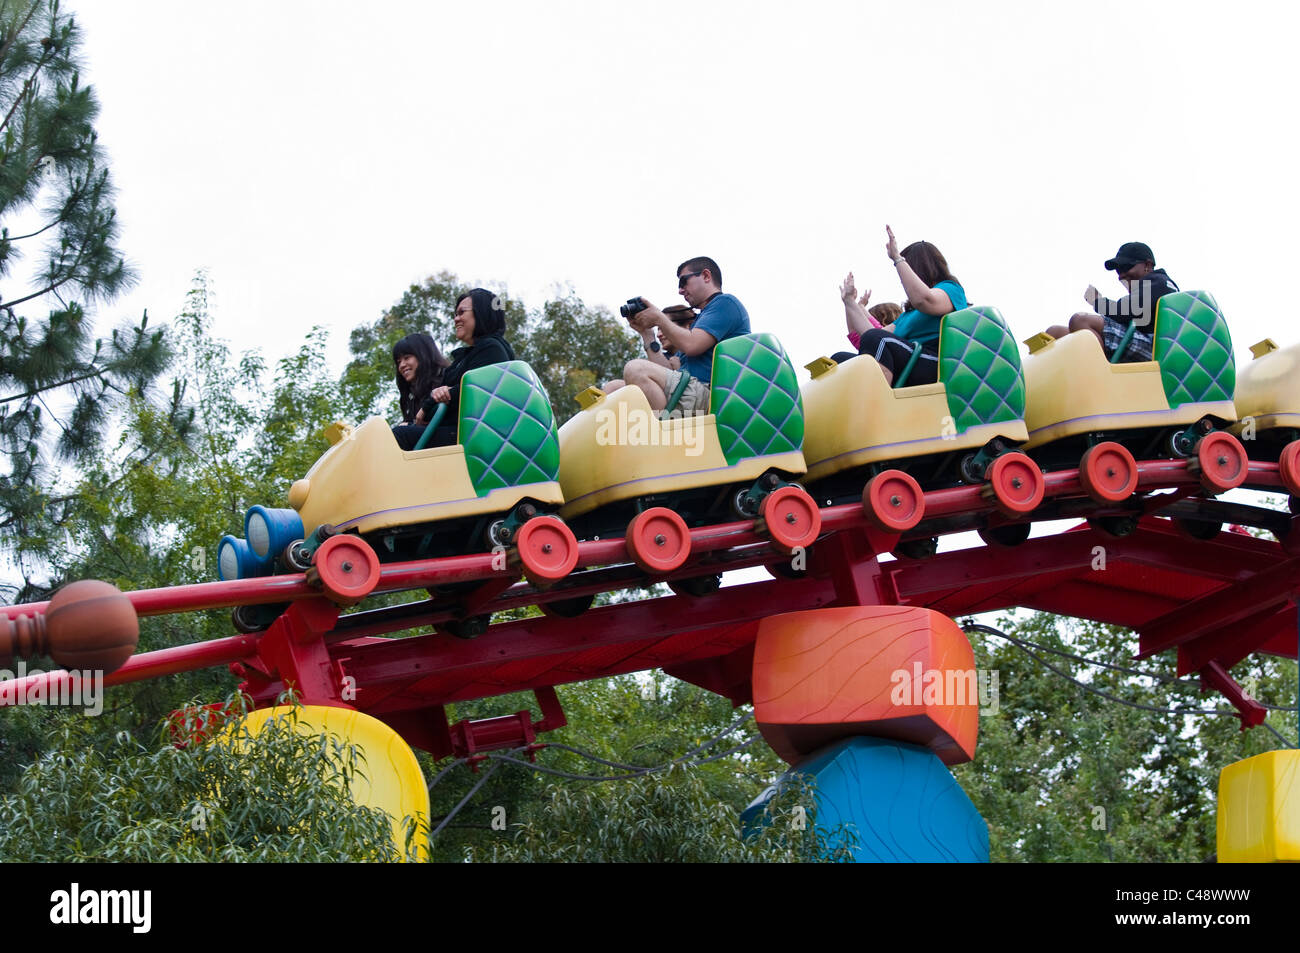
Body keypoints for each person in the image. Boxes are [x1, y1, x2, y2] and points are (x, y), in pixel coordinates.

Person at [613, 257, 750, 416]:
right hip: (691, 390)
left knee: (635, 369)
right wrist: (647, 334)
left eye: (683, 282)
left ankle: (664, 436)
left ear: (706, 276)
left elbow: (692, 345)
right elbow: (666, 371)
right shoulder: (700, 320)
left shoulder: (725, 303)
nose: (680, 290)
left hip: (714, 397)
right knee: (614, 387)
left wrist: (659, 317)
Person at [836, 227, 967, 385]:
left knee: (879, 340)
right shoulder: (908, 315)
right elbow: (869, 334)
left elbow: (924, 299)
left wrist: (897, 259)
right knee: (840, 361)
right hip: (910, 363)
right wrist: (849, 301)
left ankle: (878, 401)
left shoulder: (951, 290)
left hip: (935, 365)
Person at [397, 288, 516, 449]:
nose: (456, 319)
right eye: (455, 314)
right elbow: (439, 403)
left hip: (475, 436)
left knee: (398, 437)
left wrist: (429, 403)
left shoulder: (492, 349)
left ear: (480, 313)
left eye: (461, 312)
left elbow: (475, 391)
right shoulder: (464, 358)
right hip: (458, 431)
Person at [1044, 242, 1180, 362]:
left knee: (1081, 321)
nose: (1121, 275)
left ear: (1148, 265)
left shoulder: (1158, 281)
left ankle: (1098, 378)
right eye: (1118, 270)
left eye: (1127, 267)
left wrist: (1098, 301)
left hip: (1156, 348)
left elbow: (1125, 311)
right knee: (1055, 333)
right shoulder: (1152, 285)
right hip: (1140, 339)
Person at [390, 333, 451, 451]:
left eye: (407, 358)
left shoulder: (447, 377)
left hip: (454, 436)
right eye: (398, 361)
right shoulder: (412, 395)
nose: (402, 365)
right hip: (431, 441)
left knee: (398, 434)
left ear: (423, 355)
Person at [838, 273, 902, 350]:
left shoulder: (899, 336)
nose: (861, 324)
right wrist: (849, 302)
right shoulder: (868, 344)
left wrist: (858, 305)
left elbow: (877, 334)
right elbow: (854, 334)